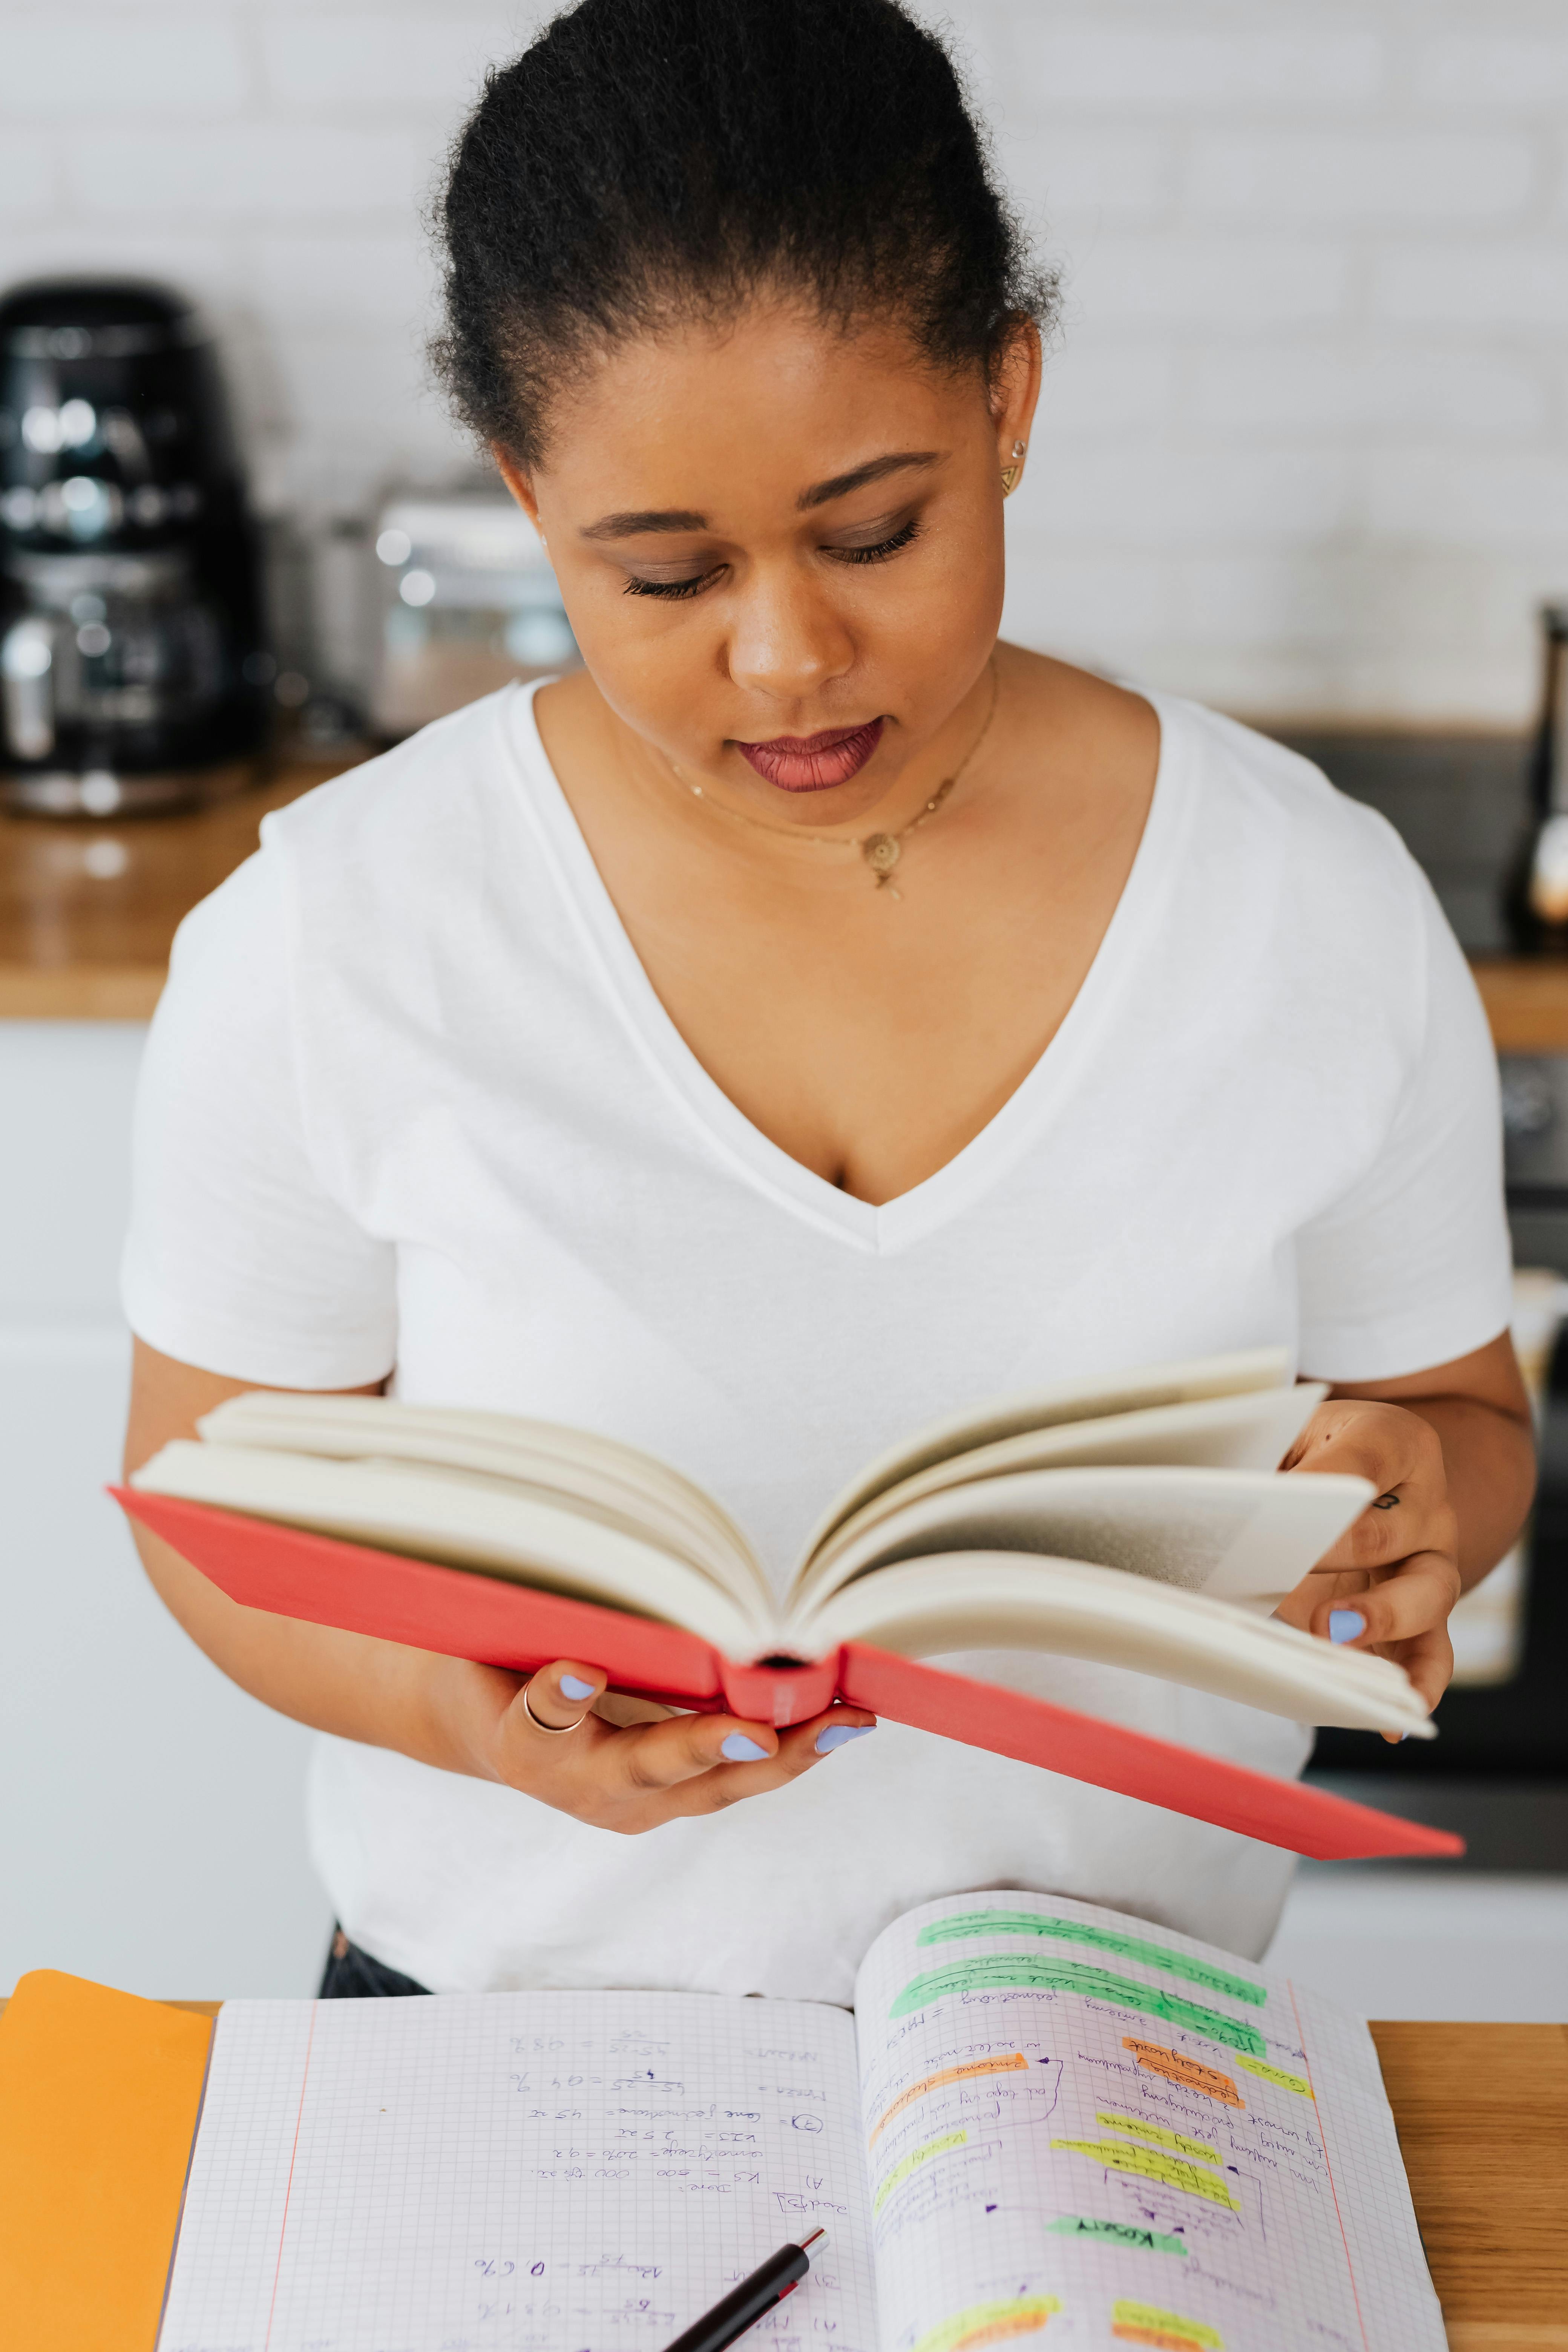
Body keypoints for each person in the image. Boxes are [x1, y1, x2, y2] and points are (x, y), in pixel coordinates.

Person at [121, 0, 1533, 2004]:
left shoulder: (1313, 907)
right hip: (491, 2054)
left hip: (1109, 2068)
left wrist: (1417, 1517)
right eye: (665, 576)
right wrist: (463, 1713)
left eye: (874, 531)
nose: (788, 659)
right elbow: (207, 1511)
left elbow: (1463, 1429)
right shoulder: (339, 932)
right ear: (530, 495)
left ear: (1011, 398)